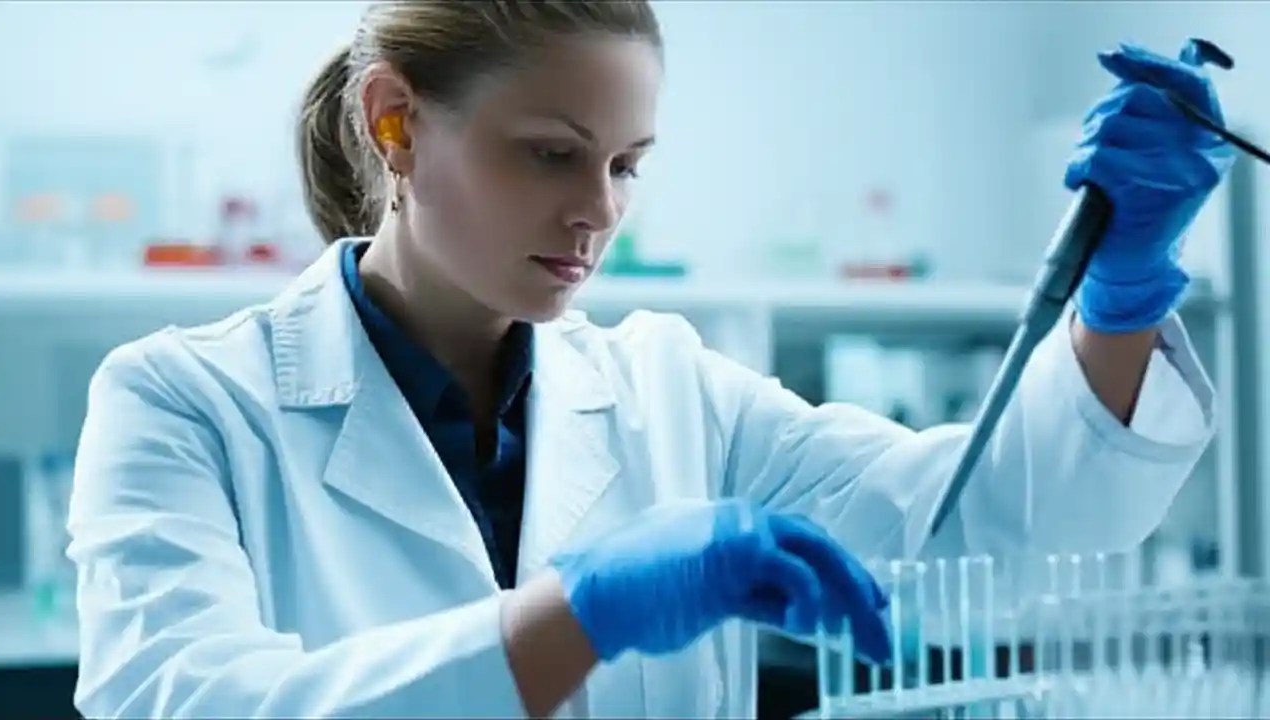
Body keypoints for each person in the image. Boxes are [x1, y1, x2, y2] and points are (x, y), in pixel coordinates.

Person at [67, 1, 1230, 718]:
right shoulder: (184, 403)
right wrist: (579, 614)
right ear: (395, 123)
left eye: (625, 163)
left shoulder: (673, 392)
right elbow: (183, 704)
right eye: (550, 153)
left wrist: (1119, 294)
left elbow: (983, 529)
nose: (599, 211)